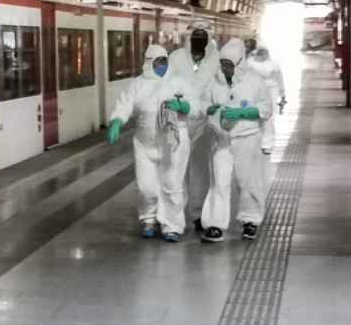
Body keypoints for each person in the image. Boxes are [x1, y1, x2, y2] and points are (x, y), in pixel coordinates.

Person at [107, 44, 195, 242]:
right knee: (147, 187)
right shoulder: (137, 84)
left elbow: (195, 105)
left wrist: (184, 106)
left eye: (164, 61)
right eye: (157, 62)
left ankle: (172, 226)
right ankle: (149, 218)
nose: (162, 65)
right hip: (144, 145)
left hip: (173, 144)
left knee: (171, 185)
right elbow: (124, 104)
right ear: (148, 63)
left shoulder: (179, 82)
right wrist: (117, 120)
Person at [200, 38, 272, 243]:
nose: (225, 68)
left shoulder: (255, 81)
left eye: (229, 64)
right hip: (220, 140)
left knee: (247, 181)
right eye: (222, 63)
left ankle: (250, 220)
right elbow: (203, 101)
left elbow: (266, 108)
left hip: (247, 138)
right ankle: (215, 224)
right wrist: (208, 108)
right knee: (219, 182)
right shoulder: (214, 81)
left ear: (240, 63)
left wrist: (243, 112)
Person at [168, 24, 220, 234]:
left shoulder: (216, 59)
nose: (199, 40)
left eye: (203, 37)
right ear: (189, 38)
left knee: (200, 171)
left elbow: (224, 85)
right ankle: (174, 218)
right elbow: (166, 84)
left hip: (204, 122)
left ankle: (198, 214)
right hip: (179, 120)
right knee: (175, 172)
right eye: (195, 37)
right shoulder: (177, 58)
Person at [245, 42, 287, 154]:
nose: (262, 53)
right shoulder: (250, 63)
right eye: (260, 51)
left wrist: (282, 94)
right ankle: (258, 142)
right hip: (254, 91)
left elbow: (280, 79)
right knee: (255, 116)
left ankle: (267, 143)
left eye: (264, 51)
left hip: (270, 92)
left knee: (269, 118)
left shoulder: (273, 64)